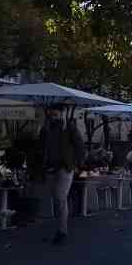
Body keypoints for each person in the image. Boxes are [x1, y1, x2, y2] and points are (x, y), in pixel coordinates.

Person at [41, 105, 85, 245]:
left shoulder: (69, 127)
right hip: (51, 167)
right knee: (56, 197)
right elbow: (42, 146)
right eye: (51, 112)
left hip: (65, 167)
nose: (53, 115)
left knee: (60, 197)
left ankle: (62, 231)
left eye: (56, 113)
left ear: (62, 113)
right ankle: (61, 227)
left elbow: (79, 145)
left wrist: (78, 164)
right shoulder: (47, 127)